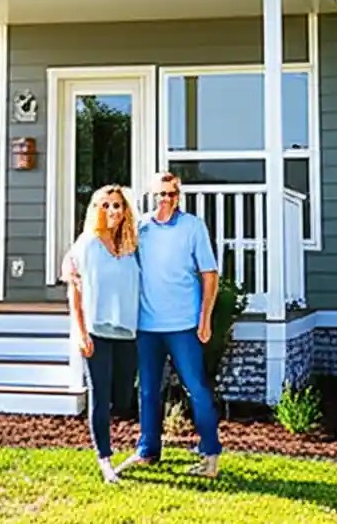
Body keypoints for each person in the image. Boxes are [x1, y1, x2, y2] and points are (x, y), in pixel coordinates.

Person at [116, 171, 223, 478]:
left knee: (197, 390)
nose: (166, 199)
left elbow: (209, 274)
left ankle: (210, 455)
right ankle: (148, 451)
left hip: (183, 326)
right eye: (161, 193)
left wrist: (205, 318)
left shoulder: (193, 227)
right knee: (148, 391)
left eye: (171, 193)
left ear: (179, 196)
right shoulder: (140, 228)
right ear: (152, 195)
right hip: (147, 326)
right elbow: (110, 252)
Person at [60, 184, 142, 484]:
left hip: (128, 331)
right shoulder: (88, 243)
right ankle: (105, 460)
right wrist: (81, 332)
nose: (111, 210)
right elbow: (74, 288)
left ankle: (143, 450)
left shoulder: (132, 244)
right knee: (100, 394)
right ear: (96, 209)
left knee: (123, 396)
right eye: (105, 205)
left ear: (125, 211)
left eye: (117, 205)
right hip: (96, 330)